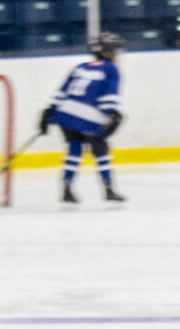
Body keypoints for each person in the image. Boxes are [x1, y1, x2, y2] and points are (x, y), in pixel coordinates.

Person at [41, 33, 126, 204]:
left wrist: (48, 112)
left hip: (65, 114)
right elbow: (109, 95)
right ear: (109, 52)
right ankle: (109, 189)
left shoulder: (80, 66)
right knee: (101, 150)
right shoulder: (111, 69)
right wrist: (113, 114)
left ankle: (66, 189)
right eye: (116, 51)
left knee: (74, 148)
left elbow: (62, 91)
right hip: (89, 117)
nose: (118, 55)